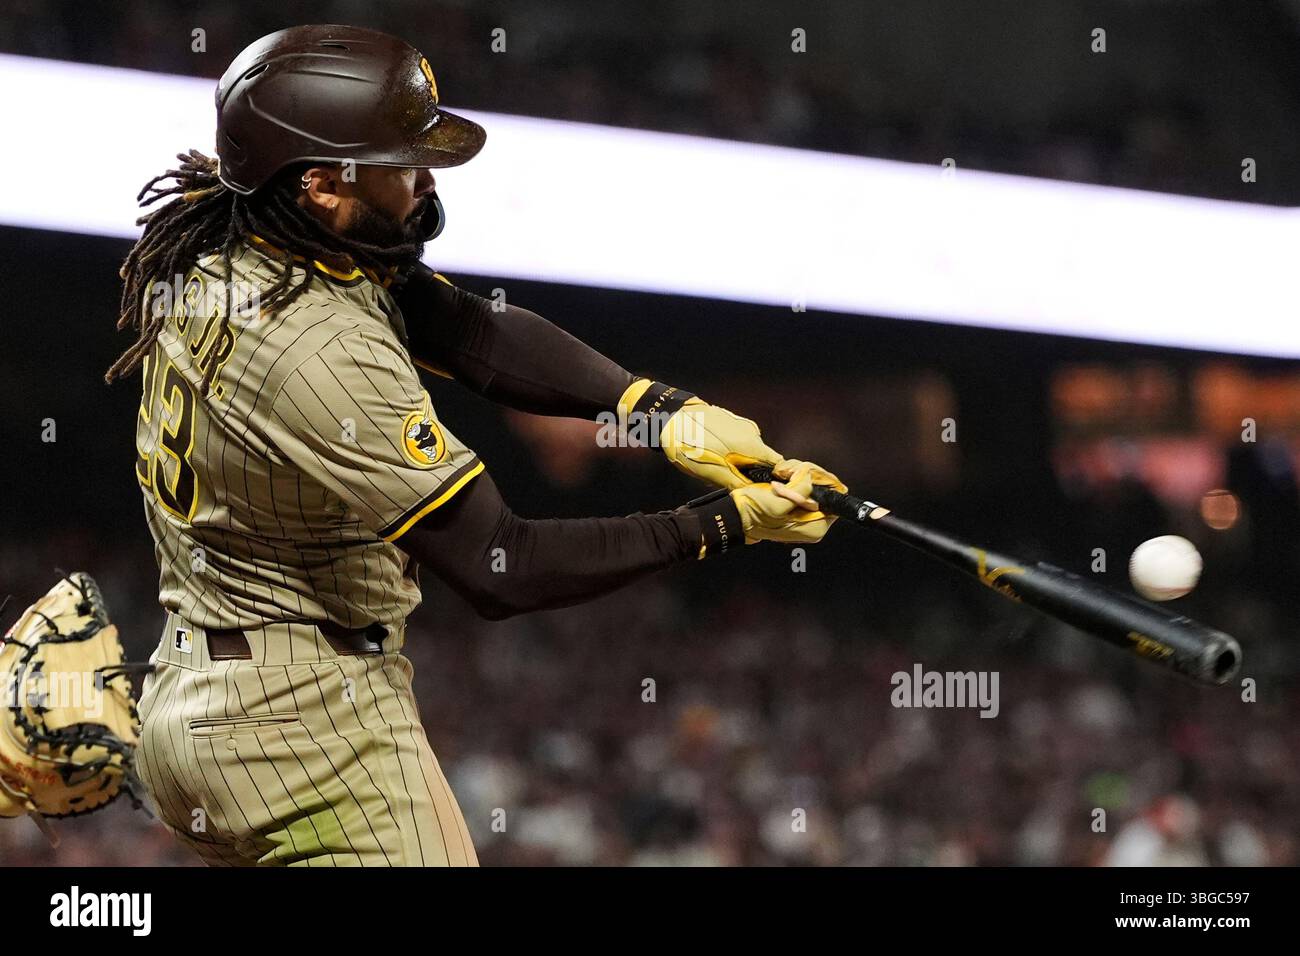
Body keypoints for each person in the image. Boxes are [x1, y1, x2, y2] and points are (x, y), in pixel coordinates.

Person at [109, 23, 843, 866]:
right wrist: (724, 523)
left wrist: (657, 408)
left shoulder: (226, 245)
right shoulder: (315, 347)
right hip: (305, 726)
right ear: (320, 183)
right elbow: (504, 564)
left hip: (198, 700)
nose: (426, 177)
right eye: (401, 160)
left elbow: (467, 329)